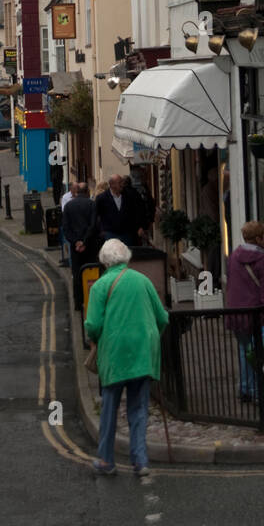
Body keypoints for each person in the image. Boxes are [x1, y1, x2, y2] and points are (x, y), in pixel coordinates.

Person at [85, 239, 170, 476]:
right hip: (143, 351)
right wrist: (151, 337)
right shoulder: (142, 280)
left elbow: (92, 324)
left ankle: (105, 459)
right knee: (139, 409)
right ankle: (141, 461)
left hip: (114, 352)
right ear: (127, 258)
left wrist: (94, 338)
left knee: (109, 408)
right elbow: (162, 317)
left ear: (104, 261)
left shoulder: (100, 286)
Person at [225, 221, 264, 403]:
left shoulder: (233, 257)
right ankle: (257, 391)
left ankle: (245, 388)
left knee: (244, 350)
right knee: (258, 352)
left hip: (237, 313)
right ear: (258, 238)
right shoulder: (263, 261)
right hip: (256, 314)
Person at [63, 183, 98, 310]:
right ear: (87, 191)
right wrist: (84, 241)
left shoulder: (68, 206)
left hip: (75, 248)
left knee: (77, 274)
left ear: (77, 192)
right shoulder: (91, 204)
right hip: (90, 246)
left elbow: (66, 229)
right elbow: (93, 225)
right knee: (92, 273)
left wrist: (76, 242)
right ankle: (91, 301)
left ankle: (78, 303)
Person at [95, 173, 146, 248]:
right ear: (112, 185)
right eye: (120, 183)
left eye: (122, 182)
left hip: (127, 234)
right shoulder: (102, 198)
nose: (122, 184)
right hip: (110, 234)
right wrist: (101, 231)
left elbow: (137, 212)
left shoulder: (129, 195)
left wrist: (140, 226)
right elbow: (96, 215)